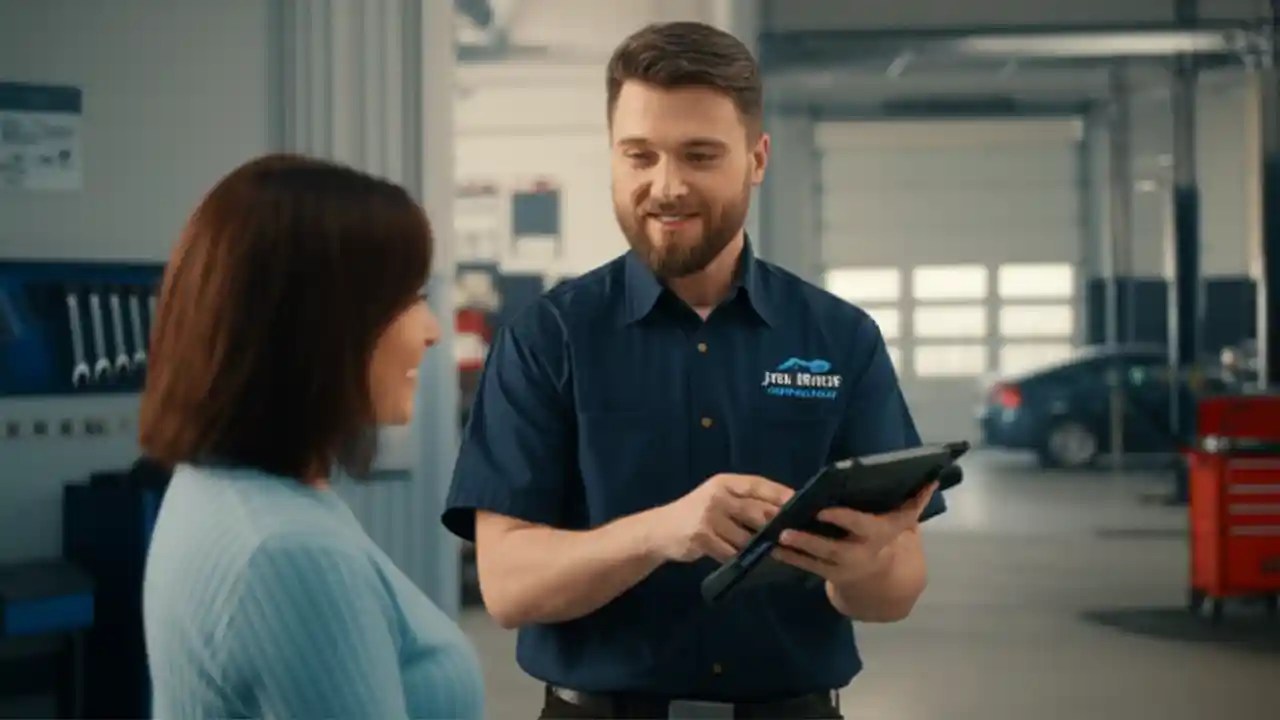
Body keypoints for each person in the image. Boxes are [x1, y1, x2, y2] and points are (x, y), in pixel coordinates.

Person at [442, 20, 948, 720]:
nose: (666, 186)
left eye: (700, 155)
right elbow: (508, 588)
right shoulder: (546, 339)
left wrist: (865, 572)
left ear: (757, 158)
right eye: (639, 155)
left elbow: (897, 590)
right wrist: (661, 531)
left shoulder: (840, 337)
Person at [140, 154, 484, 720]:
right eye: (408, 300)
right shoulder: (286, 552)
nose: (432, 330)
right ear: (319, 323)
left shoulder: (228, 490)